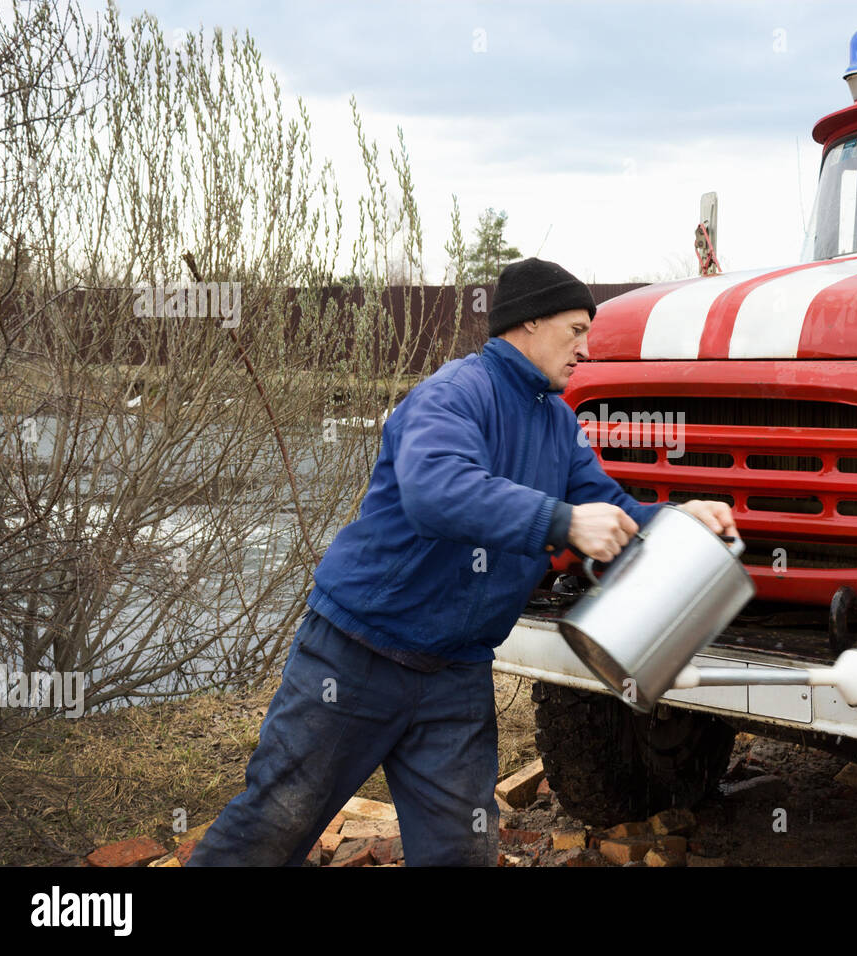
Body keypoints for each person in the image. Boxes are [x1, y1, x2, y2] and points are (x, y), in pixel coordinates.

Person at [187, 257, 736, 866]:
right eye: (576, 329)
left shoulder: (557, 423)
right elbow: (436, 490)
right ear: (527, 323)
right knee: (275, 821)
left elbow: (609, 508)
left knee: (461, 851)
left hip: (456, 674)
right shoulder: (454, 394)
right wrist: (561, 522)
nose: (587, 347)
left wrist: (676, 517)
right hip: (357, 651)